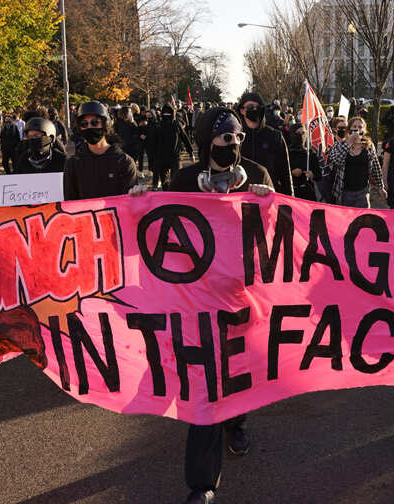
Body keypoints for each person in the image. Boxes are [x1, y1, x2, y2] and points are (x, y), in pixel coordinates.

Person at [162, 106, 274, 504]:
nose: (235, 144)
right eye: (227, 138)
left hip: (242, 293)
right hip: (197, 296)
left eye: (239, 138)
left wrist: (270, 202)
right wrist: (141, 201)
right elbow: (161, 223)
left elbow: (283, 229)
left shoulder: (257, 176)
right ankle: (202, 484)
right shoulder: (185, 179)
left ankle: (238, 421)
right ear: (208, 140)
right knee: (206, 382)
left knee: (238, 367)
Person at [63, 101, 138, 200]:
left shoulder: (124, 162)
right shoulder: (73, 164)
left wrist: (138, 194)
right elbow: (69, 204)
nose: (89, 127)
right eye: (84, 124)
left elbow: (129, 204)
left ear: (105, 124)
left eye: (94, 122)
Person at [237, 92, 293, 196]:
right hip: (240, 197)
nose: (254, 109)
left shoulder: (275, 136)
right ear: (242, 110)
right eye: (250, 107)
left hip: (269, 196)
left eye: (257, 107)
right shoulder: (235, 137)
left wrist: (289, 204)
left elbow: (285, 174)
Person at [327, 116, 386, 208]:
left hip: (363, 191)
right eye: (354, 127)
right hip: (344, 191)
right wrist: (349, 142)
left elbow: (376, 167)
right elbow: (336, 160)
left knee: (363, 219)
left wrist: (380, 187)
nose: (357, 129)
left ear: (364, 130)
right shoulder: (339, 145)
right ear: (349, 129)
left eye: (360, 127)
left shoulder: (369, 147)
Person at [150, 103, 193, 190]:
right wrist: (190, 153)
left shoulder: (160, 125)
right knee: (172, 180)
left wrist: (153, 156)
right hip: (170, 157)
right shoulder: (173, 124)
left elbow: (152, 142)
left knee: (168, 180)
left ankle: (169, 195)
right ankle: (171, 194)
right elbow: (185, 138)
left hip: (165, 157)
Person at [288, 124, 321, 201]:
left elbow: (318, 174)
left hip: (308, 192)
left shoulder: (310, 153)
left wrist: (312, 174)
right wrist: (292, 172)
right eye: (298, 133)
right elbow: (280, 172)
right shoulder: (286, 152)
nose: (301, 136)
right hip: (291, 193)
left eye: (303, 133)